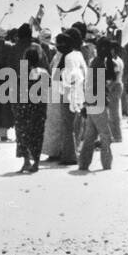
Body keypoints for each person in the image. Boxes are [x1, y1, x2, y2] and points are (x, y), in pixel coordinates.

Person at [76, 38, 116, 171]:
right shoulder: (100, 63)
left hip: (91, 102)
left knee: (90, 136)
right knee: (105, 135)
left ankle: (83, 163)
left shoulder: (94, 62)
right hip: (98, 102)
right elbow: (101, 84)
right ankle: (106, 164)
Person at [41, 31, 80, 165]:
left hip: (63, 93)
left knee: (64, 125)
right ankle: (57, 152)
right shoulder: (61, 56)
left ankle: (67, 154)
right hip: (57, 93)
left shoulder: (68, 57)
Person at [13, 45, 49, 173]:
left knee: (23, 135)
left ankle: (26, 161)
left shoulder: (23, 72)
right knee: (37, 135)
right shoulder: (44, 72)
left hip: (24, 109)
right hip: (39, 109)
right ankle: (36, 163)